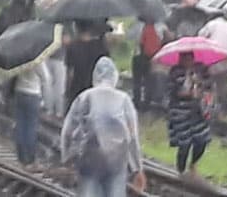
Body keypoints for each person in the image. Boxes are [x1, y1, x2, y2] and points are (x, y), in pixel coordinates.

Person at [62, 57, 145, 196]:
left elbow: (68, 130)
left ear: (95, 76)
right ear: (115, 76)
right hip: (117, 160)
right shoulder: (124, 99)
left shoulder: (84, 97)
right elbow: (132, 136)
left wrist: (67, 157)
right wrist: (137, 168)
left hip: (89, 157)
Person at [167, 51, 212, 176]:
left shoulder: (201, 69)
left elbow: (208, 86)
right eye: (184, 58)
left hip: (198, 111)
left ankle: (193, 164)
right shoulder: (175, 72)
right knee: (184, 143)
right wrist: (186, 92)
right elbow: (172, 91)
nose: (187, 61)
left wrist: (199, 84)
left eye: (189, 58)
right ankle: (181, 170)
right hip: (180, 112)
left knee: (202, 140)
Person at [65, 19, 111, 112]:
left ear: (77, 28)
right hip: (96, 86)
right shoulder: (101, 47)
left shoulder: (73, 47)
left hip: (77, 87)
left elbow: (70, 72)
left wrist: (67, 89)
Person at [13, 61, 51, 170]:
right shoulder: (38, 59)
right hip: (33, 94)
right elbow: (46, 77)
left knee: (20, 126)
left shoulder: (19, 55)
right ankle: (30, 160)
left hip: (19, 91)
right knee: (31, 128)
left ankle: (21, 159)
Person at [198, 16, 227, 115]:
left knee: (208, 81)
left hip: (212, 55)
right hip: (226, 56)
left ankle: (208, 106)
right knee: (222, 83)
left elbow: (200, 37)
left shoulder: (211, 24)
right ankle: (223, 108)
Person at [131, 21, 167, 110]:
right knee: (148, 81)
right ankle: (147, 103)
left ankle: (137, 101)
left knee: (137, 81)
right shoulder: (160, 27)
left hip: (137, 56)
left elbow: (132, 38)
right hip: (150, 57)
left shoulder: (137, 26)